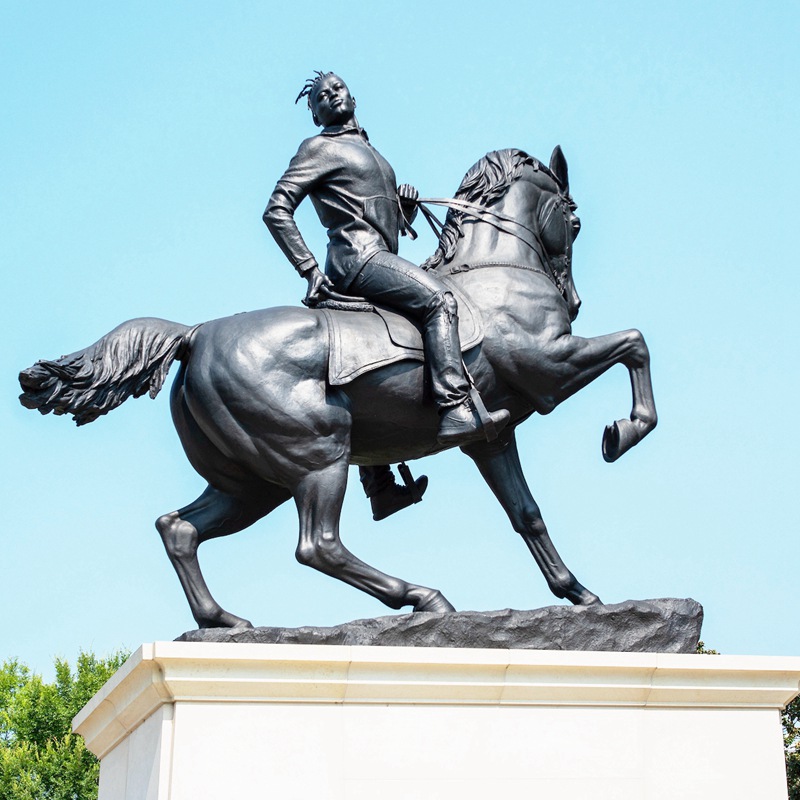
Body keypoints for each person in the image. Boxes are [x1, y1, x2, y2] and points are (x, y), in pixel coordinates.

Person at [263, 72, 509, 518]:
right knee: (440, 301)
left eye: (337, 88)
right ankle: (455, 408)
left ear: (353, 96)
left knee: (381, 354)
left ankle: (380, 487)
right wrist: (309, 270)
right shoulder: (319, 149)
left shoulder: (370, 151)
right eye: (321, 96)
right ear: (315, 113)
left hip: (374, 253)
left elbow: (383, 225)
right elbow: (277, 208)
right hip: (357, 259)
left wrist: (404, 209)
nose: (331, 95)